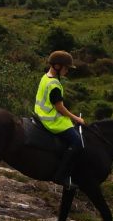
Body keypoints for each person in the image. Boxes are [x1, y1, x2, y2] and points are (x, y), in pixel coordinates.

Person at [34, 50, 86, 188]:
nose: (67, 71)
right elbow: (59, 107)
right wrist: (76, 119)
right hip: (51, 120)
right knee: (77, 142)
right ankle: (60, 176)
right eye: (66, 68)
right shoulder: (55, 85)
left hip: (40, 114)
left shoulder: (46, 77)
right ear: (57, 66)